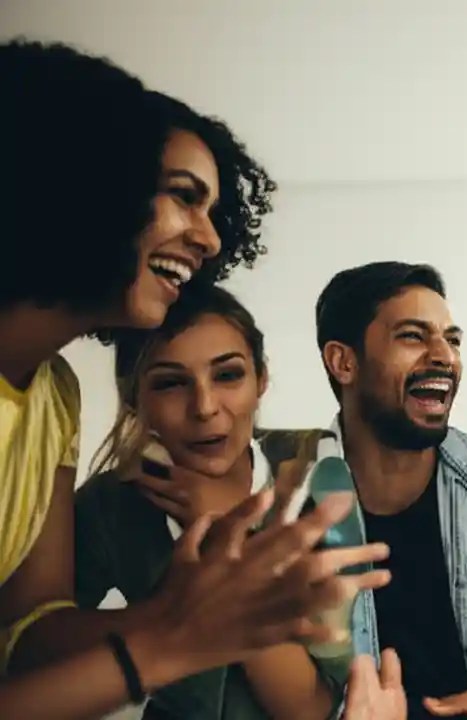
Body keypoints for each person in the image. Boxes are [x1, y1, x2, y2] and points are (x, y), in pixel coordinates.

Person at [0, 40, 387, 719]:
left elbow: (25, 638)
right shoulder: (108, 507)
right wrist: (166, 639)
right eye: (184, 197)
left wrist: (180, 622)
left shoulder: (55, 393)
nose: (209, 240)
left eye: (229, 374)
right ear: (82, 186)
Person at [73, 284, 355, 719]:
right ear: (133, 400)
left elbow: (312, 707)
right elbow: (30, 646)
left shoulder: (319, 473)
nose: (204, 407)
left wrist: (226, 529)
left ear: (261, 378)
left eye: (227, 375)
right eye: (170, 383)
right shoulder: (112, 502)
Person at [314, 261, 467, 719]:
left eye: (451, 339)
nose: (443, 356)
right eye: (413, 336)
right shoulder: (294, 501)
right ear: (343, 361)